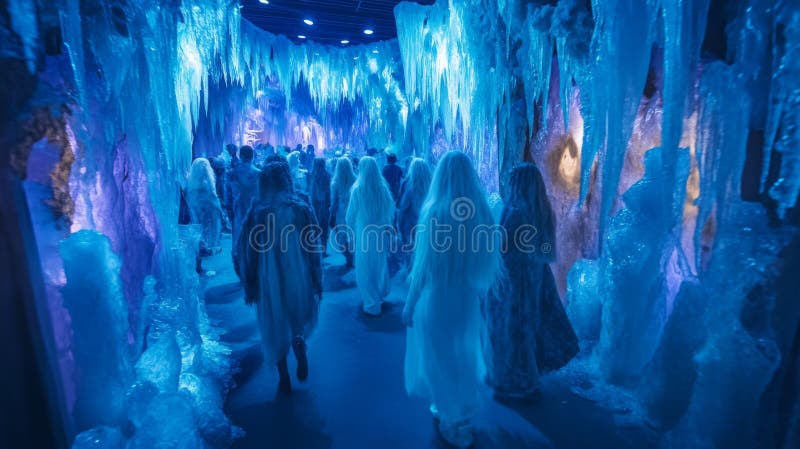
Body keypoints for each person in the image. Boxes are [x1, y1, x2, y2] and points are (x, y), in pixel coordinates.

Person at [402, 151, 502, 448]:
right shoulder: (481, 211)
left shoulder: (435, 212)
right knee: (463, 356)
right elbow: (485, 264)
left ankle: (451, 418)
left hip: (437, 299)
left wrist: (409, 303)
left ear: (441, 176)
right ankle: (460, 415)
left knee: (439, 359)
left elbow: (423, 268)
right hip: (466, 298)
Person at [484, 163, 578, 400]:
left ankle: (515, 379)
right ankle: (529, 376)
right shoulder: (544, 209)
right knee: (530, 324)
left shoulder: (515, 210)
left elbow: (503, 246)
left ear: (518, 183)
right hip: (537, 274)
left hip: (514, 276)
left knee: (510, 327)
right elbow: (546, 246)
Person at [237, 161, 323, 393]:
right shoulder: (301, 205)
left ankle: (283, 376)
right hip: (298, 272)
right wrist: (316, 278)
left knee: (274, 321)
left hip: (268, 276)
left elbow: (244, 248)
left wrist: (249, 280)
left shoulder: (257, 210)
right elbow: (312, 244)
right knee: (296, 314)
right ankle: (299, 345)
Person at [346, 156, 395, 316]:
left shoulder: (357, 189)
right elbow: (389, 211)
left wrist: (350, 234)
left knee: (365, 266)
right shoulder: (382, 188)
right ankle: (379, 294)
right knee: (379, 263)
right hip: (379, 231)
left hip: (364, 232)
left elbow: (350, 215)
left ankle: (371, 302)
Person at [229, 145, 261, 274]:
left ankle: (241, 269)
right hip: (255, 210)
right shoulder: (258, 173)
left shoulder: (232, 173)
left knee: (239, 238)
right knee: (255, 238)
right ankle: (254, 268)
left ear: (241, 156)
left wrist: (229, 211)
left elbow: (229, 194)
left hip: (239, 209)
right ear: (252, 156)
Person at [396, 158, 432, 267]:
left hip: (410, 227)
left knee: (411, 254)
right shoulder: (433, 188)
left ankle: (412, 278)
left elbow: (401, 208)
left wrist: (399, 226)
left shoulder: (408, 186)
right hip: (428, 227)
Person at [186, 158, 224, 257]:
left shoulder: (190, 180)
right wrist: (219, 211)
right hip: (208, 211)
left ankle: (200, 251)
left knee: (199, 231)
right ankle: (206, 250)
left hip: (196, 210)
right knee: (207, 231)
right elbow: (213, 197)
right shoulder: (207, 182)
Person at [330, 157, 357, 268]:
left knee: (342, 236)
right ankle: (354, 256)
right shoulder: (355, 180)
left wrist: (331, 214)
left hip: (341, 212)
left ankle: (348, 258)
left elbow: (334, 202)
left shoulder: (335, 182)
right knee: (353, 234)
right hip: (353, 210)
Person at [309, 158, 332, 256]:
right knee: (323, 228)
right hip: (323, 205)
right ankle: (323, 250)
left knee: (315, 228)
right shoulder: (327, 175)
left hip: (315, 205)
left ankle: (316, 250)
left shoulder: (311, 175)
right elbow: (327, 192)